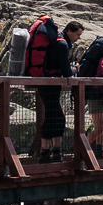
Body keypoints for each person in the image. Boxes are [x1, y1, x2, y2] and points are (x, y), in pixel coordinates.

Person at [38, 20, 84, 163]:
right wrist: (75, 69)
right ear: (69, 31)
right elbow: (66, 73)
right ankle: (45, 154)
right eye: (77, 34)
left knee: (55, 117)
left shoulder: (59, 42)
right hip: (50, 84)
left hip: (47, 83)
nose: (79, 38)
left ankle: (53, 152)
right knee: (54, 118)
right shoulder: (62, 44)